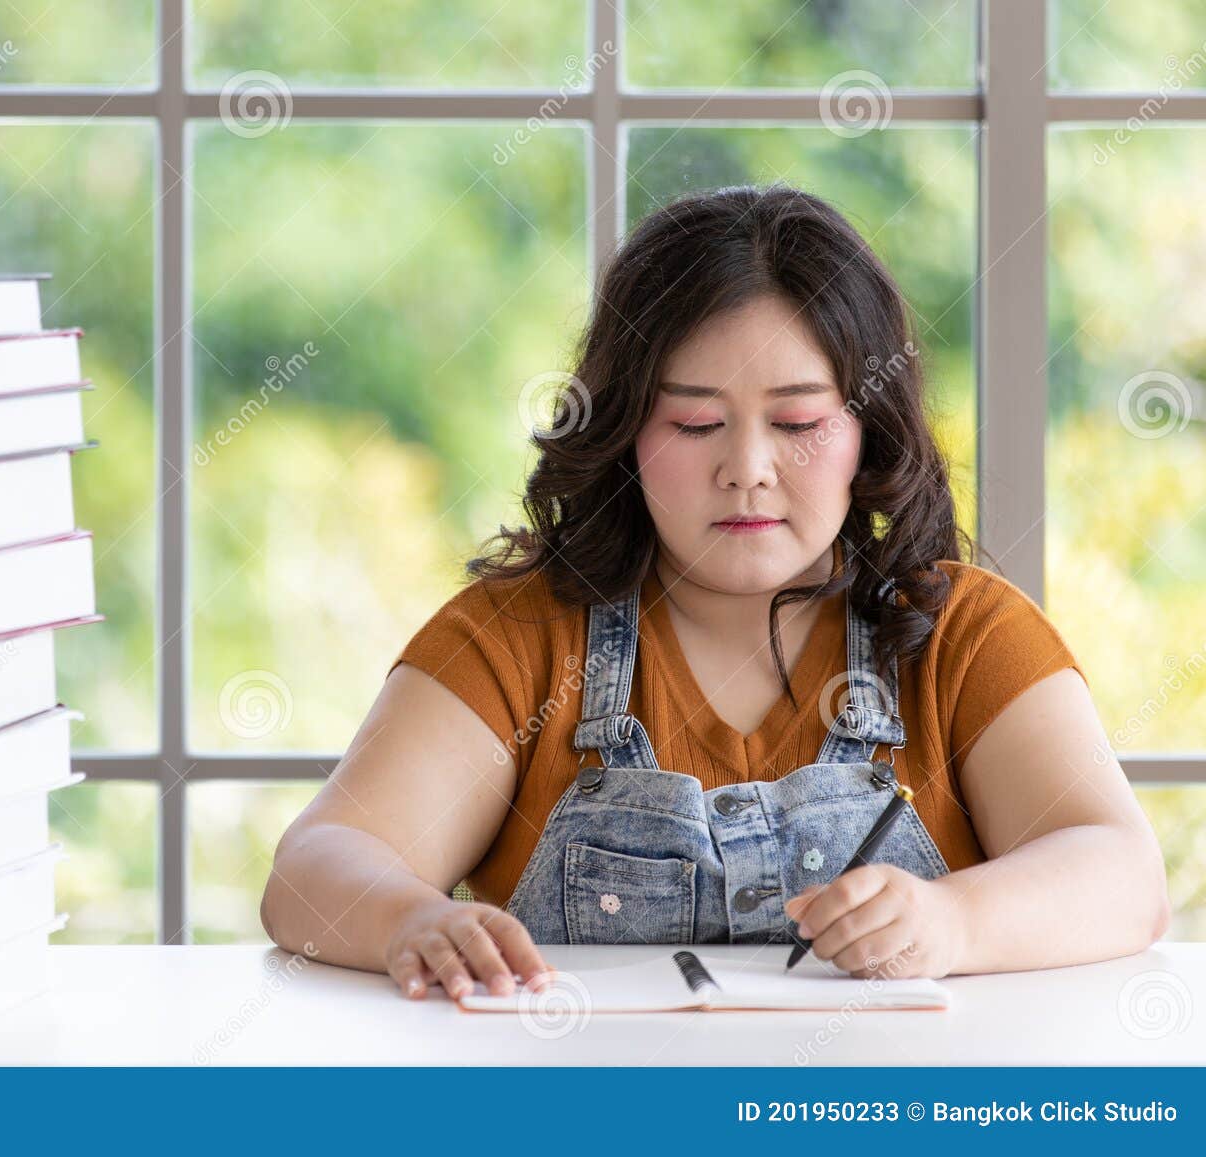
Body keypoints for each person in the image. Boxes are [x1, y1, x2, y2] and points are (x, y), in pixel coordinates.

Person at [259, 183, 1170, 1001]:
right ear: (622, 432)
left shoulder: (966, 635)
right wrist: (410, 922)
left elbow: (1123, 874)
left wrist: (956, 921)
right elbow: (311, 870)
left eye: (799, 421)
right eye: (695, 422)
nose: (747, 470)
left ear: (870, 432)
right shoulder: (521, 635)